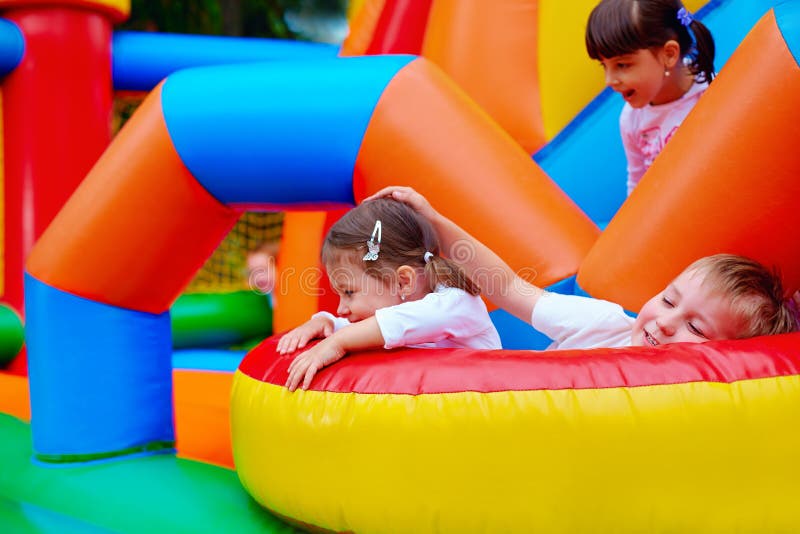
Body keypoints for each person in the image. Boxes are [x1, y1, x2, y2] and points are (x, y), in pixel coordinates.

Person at [368, 186, 799, 350]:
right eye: (668, 299)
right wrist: (437, 225)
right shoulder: (604, 325)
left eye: (698, 329)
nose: (665, 322)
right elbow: (509, 289)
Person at [279, 198, 501, 391]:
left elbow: (393, 323)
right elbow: (369, 330)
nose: (341, 309)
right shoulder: (388, 317)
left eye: (349, 292)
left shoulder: (457, 304)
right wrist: (324, 322)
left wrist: (336, 342)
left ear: (403, 282)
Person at [585, 0, 715, 195]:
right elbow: (638, 184)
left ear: (669, 54)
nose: (609, 80)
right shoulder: (631, 119)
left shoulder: (712, 93)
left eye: (622, 65)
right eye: (604, 66)